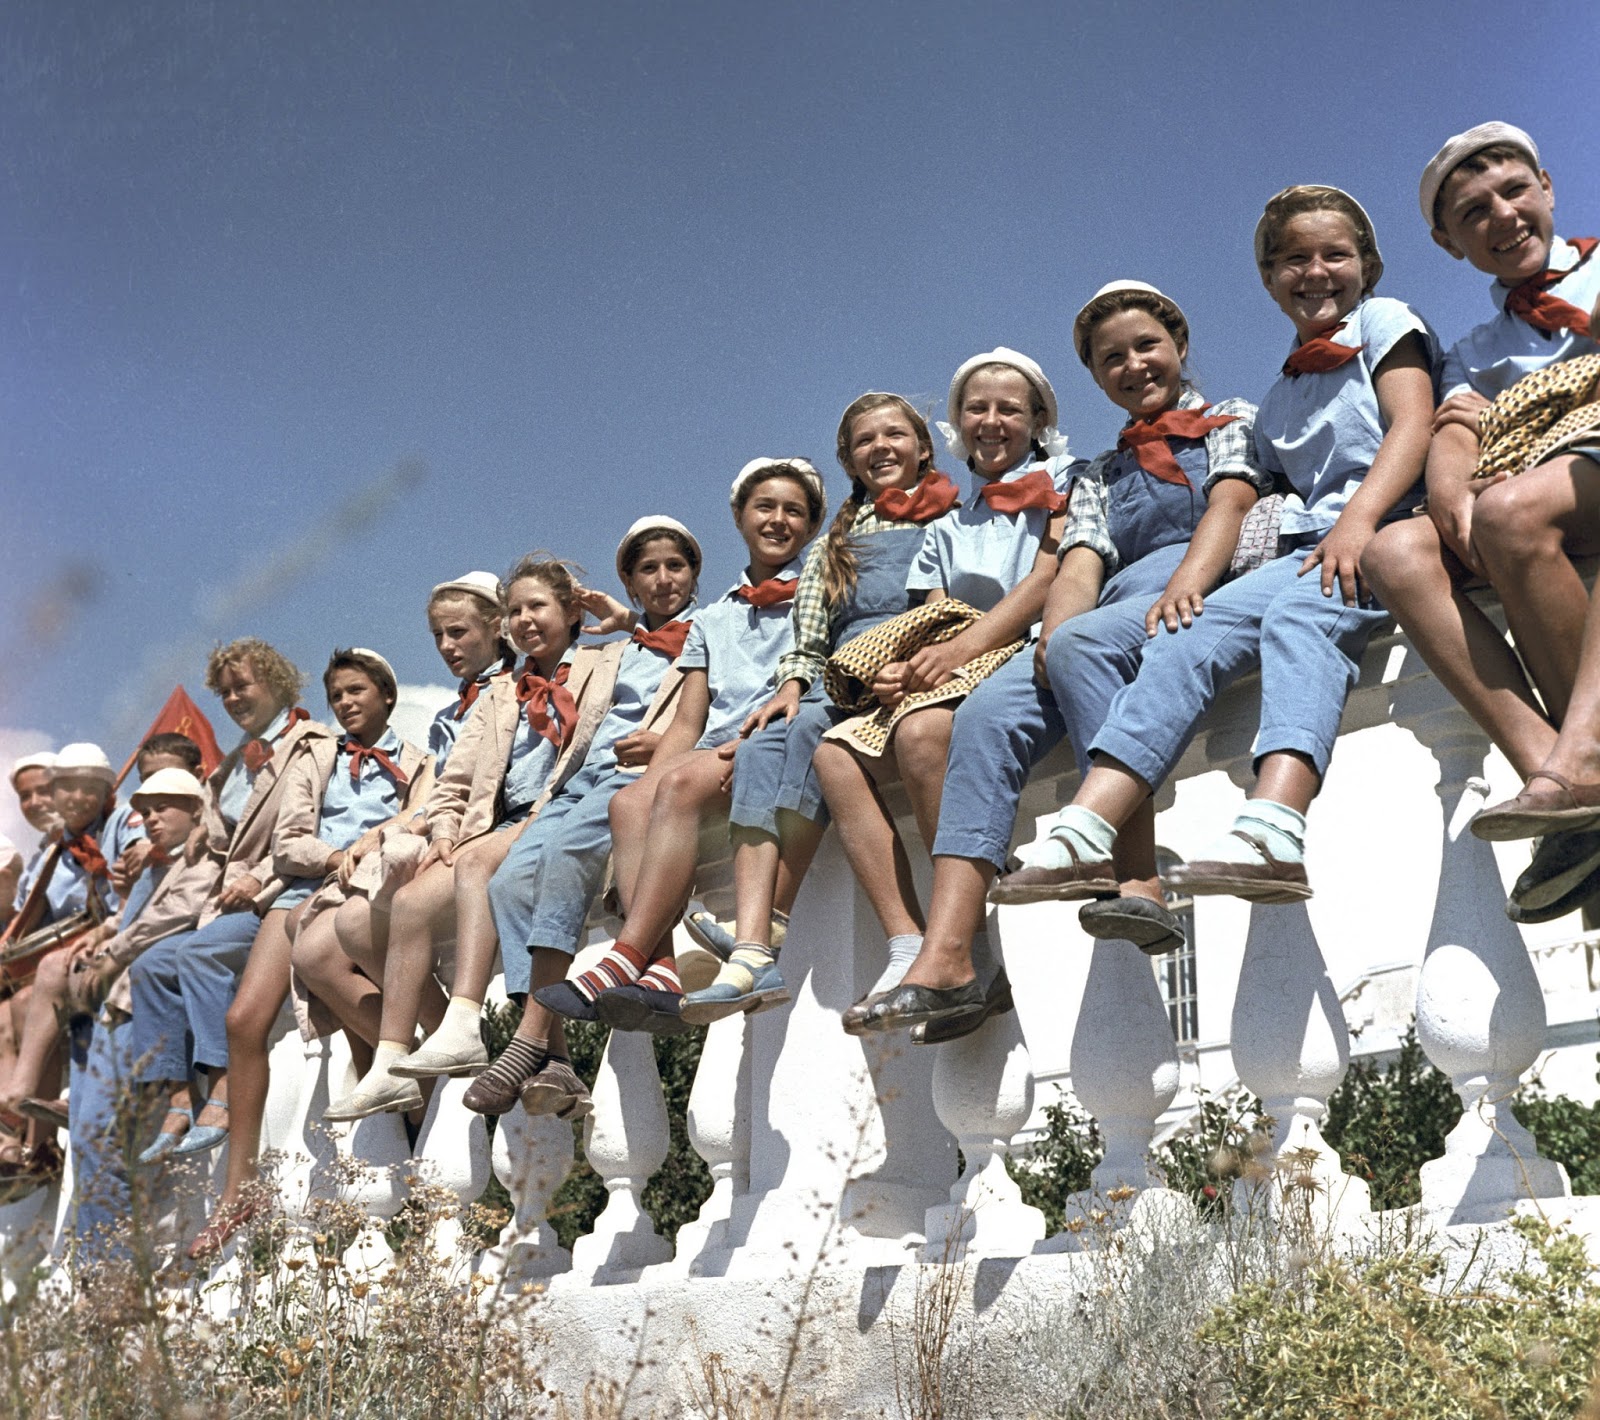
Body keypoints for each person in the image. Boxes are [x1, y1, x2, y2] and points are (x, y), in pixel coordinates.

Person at [986, 186, 1437, 956]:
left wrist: (1358, 521)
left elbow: (1413, 422)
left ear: (1367, 263)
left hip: (1381, 529)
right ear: (1268, 280)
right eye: (1294, 260)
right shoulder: (1281, 393)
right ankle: (1091, 827)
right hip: (1305, 545)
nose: (1315, 272)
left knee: (1300, 618)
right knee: (1180, 635)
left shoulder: (1383, 322)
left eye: (1335, 255)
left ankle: (1276, 827)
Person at [1353, 123, 1600, 913]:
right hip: (1536, 482)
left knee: (1512, 510)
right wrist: (1452, 491)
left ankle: (1581, 759)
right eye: (1472, 212)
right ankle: (1558, 768)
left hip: (1561, 479)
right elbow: (1457, 422)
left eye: (1513, 191)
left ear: (1548, 188)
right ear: (1449, 242)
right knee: (1396, 553)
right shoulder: (1477, 347)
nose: (1501, 215)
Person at [985, 280, 1267, 963]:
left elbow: (1229, 505)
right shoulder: (1101, 473)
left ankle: (1132, 873)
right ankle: (963, 921)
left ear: (1179, 346)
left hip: (1207, 582)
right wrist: (1053, 631)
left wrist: (1185, 584)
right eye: (1112, 358)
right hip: (1126, 604)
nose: (1134, 365)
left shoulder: (1229, 417)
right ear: (1096, 376)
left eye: (1147, 346)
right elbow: (1081, 560)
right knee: (996, 703)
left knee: (1084, 645)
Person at [810, 348, 1076, 1035]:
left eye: (1008, 409)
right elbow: (932, 612)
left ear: (1038, 418)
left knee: (923, 733)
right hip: (958, 656)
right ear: (959, 424)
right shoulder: (951, 526)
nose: (991, 421)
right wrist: (907, 664)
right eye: (976, 409)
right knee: (837, 754)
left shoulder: (1064, 482)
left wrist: (957, 651)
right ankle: (909, 941)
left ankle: (970, 949)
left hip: (1015, 648)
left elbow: (1048, 580)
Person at [679, 399, 960, 1023]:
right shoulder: (836, 541)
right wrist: (794, 682)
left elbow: (958, 603)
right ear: (848, 459)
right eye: (864, 440)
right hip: (846, 668)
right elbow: (810, 633)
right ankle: (754, 945)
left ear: (923, 446)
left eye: (895, 434)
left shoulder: (955, 514)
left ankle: (872, 934)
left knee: (817, 741)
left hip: (920, 660)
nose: (880, 447)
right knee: (768, 739)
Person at [319, 558, 613, 1119]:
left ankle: (465, 1019)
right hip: (497, 822)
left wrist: (618, 617)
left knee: (478, 868)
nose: (526, 620)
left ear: (573, 612)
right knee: (406, 900)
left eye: (538, 608)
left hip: (557, 810)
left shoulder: (604, 663)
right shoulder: (503, 693)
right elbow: (453, 783)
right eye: (517, 610)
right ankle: (390, 1059)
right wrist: (444, 835)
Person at [539, 458, 824, 1033]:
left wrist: (673, 776)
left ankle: (626, 953)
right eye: (763, 507)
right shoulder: (713, 619)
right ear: (740, 518)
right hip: (711, 747)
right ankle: (663, 970)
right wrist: (645, 787)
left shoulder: (818, 597)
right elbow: (688, 722)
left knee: (676, 784)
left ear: (813, 525)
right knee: (626, 802)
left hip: (772, 741)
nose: (777, 520)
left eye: (793, 511)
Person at [71, 639, 326, 1260]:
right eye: (227, 692)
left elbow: (311, 827)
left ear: (279, 682)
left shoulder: (311, 743)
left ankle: (219, 1088)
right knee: (156, 965)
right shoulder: (234, 762)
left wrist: (257, 879)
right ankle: (179, 1101)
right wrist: (156, 857)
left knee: (195, 954)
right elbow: (209, 848)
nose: (236, 699)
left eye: (245, 685)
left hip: (282, 889)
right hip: (228, 893)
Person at [453, 517, 701, 1119]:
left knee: (565, 860)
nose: (662, 579)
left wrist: (667, 743)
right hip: (576, 780)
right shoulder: (615, 649)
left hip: (631, 780)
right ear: (627, 580)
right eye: (647, 569)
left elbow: (709, 697)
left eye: (676, 566)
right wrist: (625, 622)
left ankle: (527, 1040)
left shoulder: (708, 632)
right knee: (507, 882)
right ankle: (558, 1059)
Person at [3, 766, 217, 1212]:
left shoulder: (186, 855)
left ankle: (26, 1121)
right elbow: (135, 911)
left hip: (128, 994)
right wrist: (108, 934)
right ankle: (27, 1127)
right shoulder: (150, 862)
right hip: (110, 987)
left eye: (162, 809)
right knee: (91, 1138)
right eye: (147, 811)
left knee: (101, 1138)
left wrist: (114, 944)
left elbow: (164, 913)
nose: (152, 819)